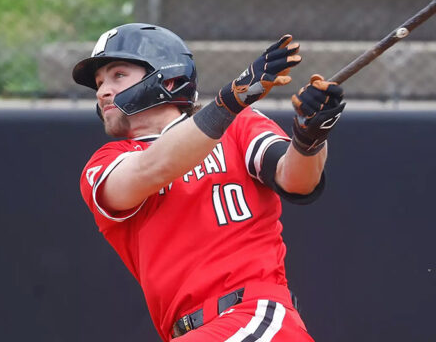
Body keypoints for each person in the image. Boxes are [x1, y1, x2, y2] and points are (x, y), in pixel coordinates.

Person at [73, 23, 345, 341]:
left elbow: (296, 180)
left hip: (254, 316)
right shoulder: (105, 163)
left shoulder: (239, 125)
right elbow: (153, 168)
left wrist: (309, 138)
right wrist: (229, 101)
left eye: (118, 75)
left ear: (170, 78)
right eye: (99, 83)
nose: (103, 91)